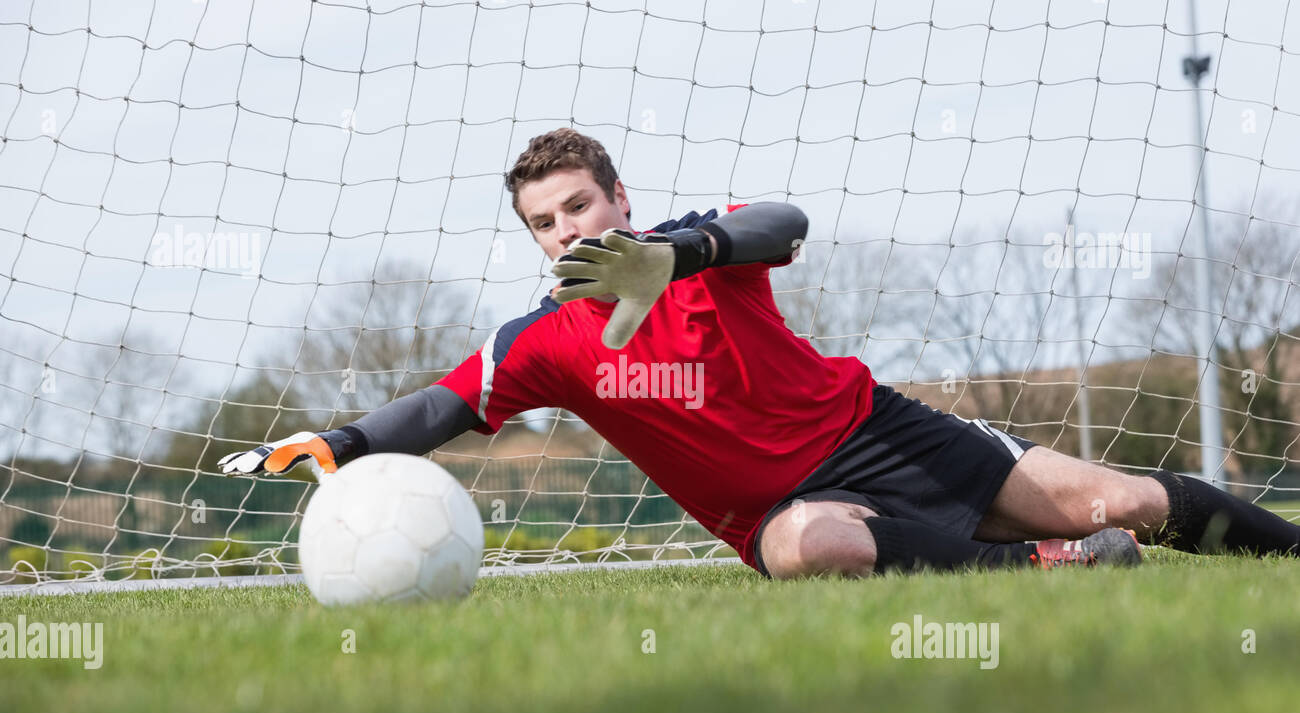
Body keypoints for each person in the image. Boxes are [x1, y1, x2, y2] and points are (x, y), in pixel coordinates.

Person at [219, 128, 1300, 578]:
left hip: (879, 432)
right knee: (810, 553)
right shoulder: (540, 346)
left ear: (617, 198)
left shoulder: (702, 248)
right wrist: (341, 440)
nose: (567, 231)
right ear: (534, 239)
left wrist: (678, 253)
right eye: (546, 223)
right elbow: (444, 408)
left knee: (1128, 503)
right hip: (778, 509)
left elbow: (783, 221)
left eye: (580, 205)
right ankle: (1043, 574)